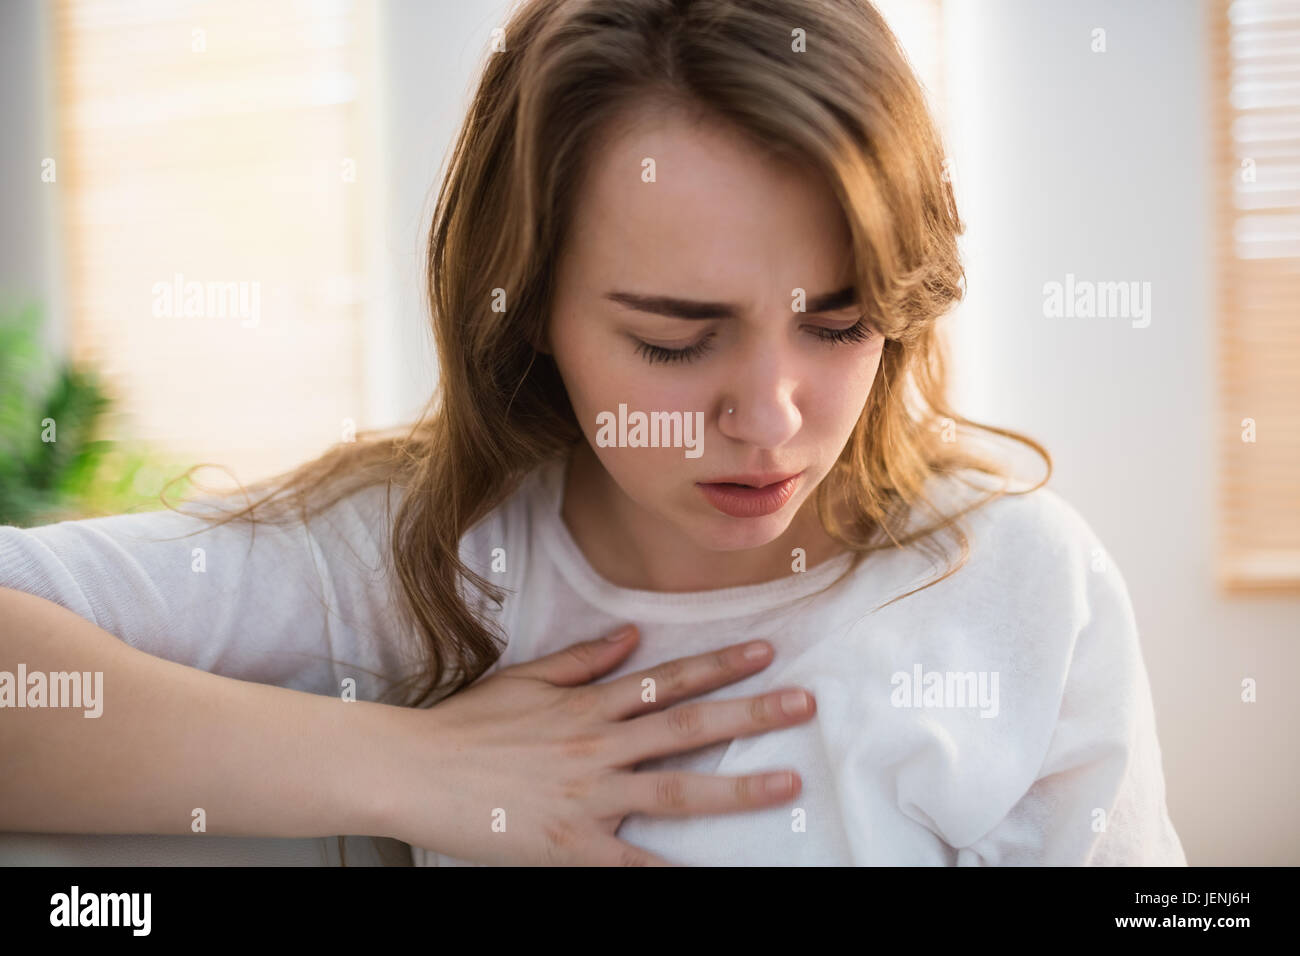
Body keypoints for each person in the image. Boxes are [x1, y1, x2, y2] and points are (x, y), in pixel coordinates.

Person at [0, 0, 1186, 866]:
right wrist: (416, 766)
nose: (770, 421)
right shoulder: (410, 555)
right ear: (526, 314)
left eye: (840, 322)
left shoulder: (1024, 578)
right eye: (675, 340)